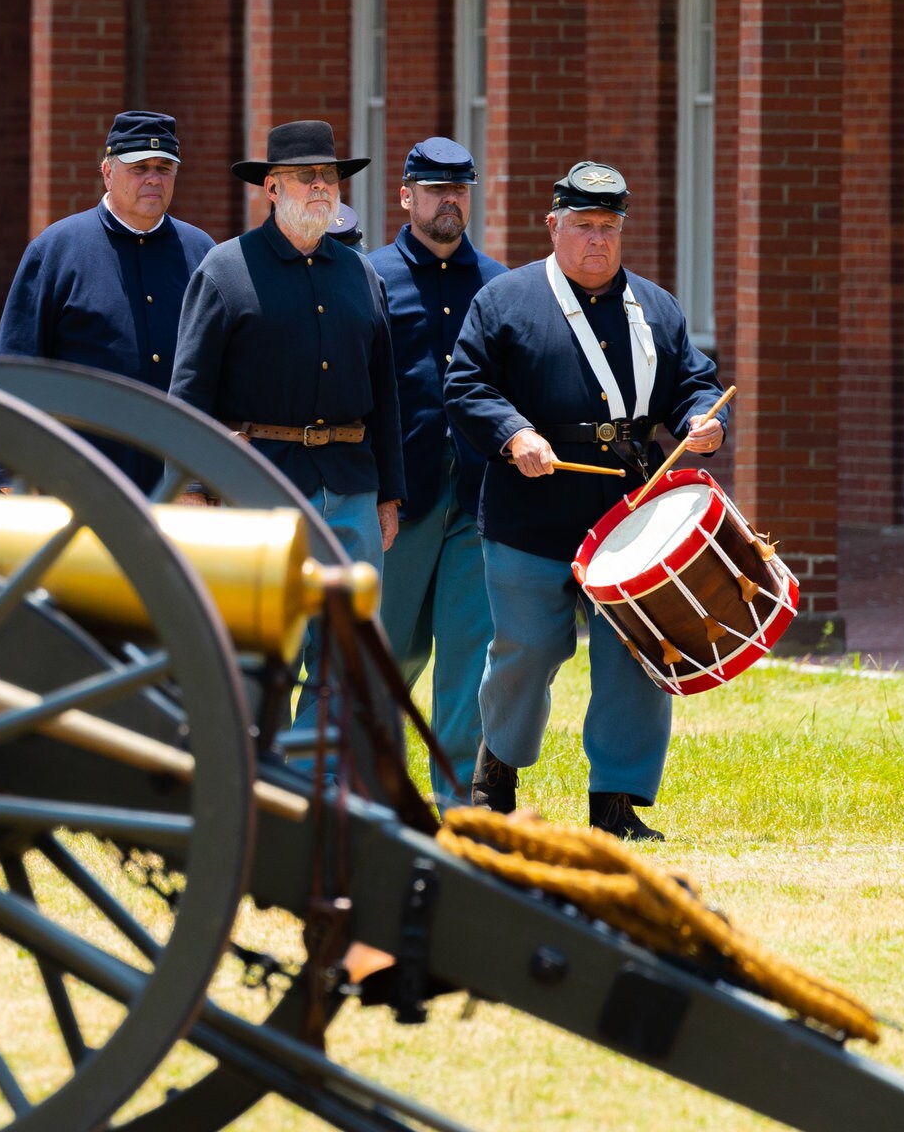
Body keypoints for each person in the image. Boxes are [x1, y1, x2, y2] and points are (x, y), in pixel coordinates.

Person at [444, 162, 726, 841]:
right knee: (526, 652)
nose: (596, 241)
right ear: (553, 226)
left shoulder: (655, 308)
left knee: (636, 655)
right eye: (583, 227)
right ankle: (496, 780)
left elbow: (694, 382)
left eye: (608, 228)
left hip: (632, 516)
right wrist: (514, 435)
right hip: (530, 514)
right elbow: (466, 386)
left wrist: (698, 420)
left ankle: (617, 804)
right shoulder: (505, 301)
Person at [171, 119, 405, 749]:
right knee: (265, 651)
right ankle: (254, 777)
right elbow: (188, 391)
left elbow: (385, 391)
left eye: (329, 177)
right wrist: (190, 485)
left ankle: (317, 784)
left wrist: (390, 493)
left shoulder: (361, 274)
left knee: (348, 651)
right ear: (271, 188)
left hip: (352, 489)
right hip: (261, 487)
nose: (321, 189)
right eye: (307, 178)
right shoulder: (225, 270)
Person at [367, 138, 506, 808]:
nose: (448, 201)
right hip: (398, 497)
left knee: (470, 659)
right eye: (433, 189)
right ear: (406, 196)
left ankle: (461, 800)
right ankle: (376, 792)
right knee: (388, 654)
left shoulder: (502, 286)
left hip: (479, 498)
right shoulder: (368, 278)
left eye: (459, 189)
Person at [0, 111, 214, 490]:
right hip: (80, 477)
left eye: (164, 167)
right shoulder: (55, 250)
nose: (153, 178)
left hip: (179, 482)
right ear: (107, 172)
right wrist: (11, 476)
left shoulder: (202, 254)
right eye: (138, 167)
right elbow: (16, 369)